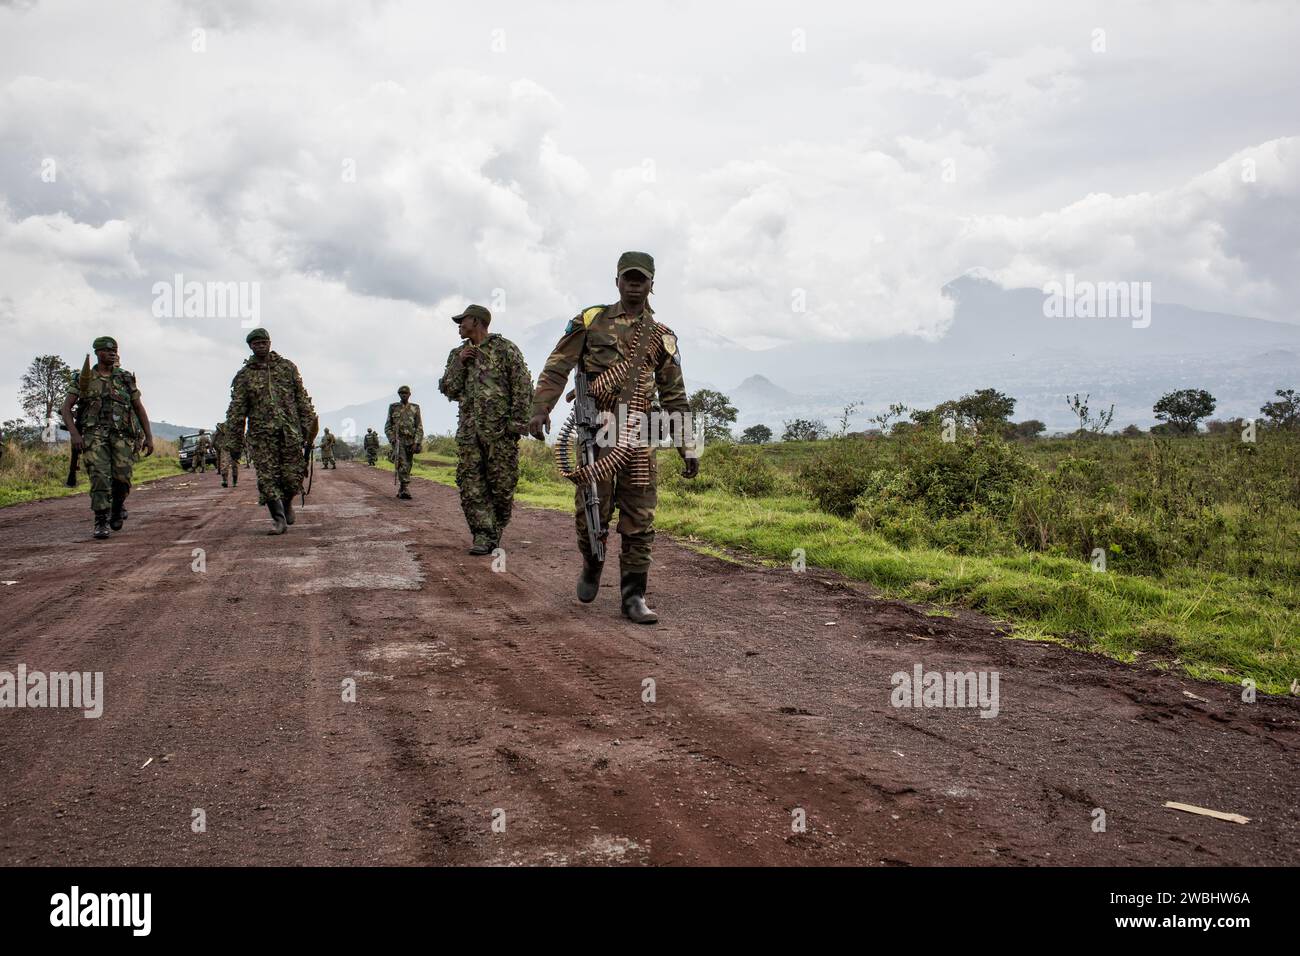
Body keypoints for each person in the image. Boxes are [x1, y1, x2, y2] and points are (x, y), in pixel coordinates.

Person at [528, 251, 698, 623]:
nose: (634, 283)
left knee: (640, 515)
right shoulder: (590, 321)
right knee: (592, 508)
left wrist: (688, 444)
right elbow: (558, 366)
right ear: (617, 280)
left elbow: (674, 394)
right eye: (628, 277)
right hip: (597, 429)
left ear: (652, 283)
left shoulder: (662, 336)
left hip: (641, 433)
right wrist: (540, 408)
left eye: (641, 278)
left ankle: (633, 596)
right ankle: (592, 562)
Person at [438, 304, 533, 554]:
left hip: (501, 433)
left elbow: (523, 387)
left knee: (502, 486)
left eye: (463, 320)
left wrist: (516, 424)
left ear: (477, 322)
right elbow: (449, 388)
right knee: (470, 484)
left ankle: (495, 529)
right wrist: (459, 363)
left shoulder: (505, 349)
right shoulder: (458, 354)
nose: (459, 325)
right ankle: (482, 534)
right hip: (470, 433)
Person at [59, 336, 155, 539]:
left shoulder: (125, 378)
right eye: (107, 350)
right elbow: (66, 408)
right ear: (97, 353)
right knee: (99, 477)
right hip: (94, 436)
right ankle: (100, 520)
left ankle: (118, 507)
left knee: (122, 478)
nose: (112, 353)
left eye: (115, 350)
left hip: (122, 437)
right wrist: (75, 435)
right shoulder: (83, 378)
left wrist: (149, 437)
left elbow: (138, 408)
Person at [223, 328, 316, 534]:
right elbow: (237, 413)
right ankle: (278, 519)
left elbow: (302, 399)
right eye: (256, 343)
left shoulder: (287, 368)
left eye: (263, 342)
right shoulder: (244, 377)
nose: (260, 346)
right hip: (261, 437)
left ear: (270, 343)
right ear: (250, 347)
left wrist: (309, 430)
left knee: (293, 476)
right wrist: (234, 444)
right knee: (267, 478)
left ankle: (287, 502)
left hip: (290, 434)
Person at [384, 386, 422, 500]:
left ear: (409, 394)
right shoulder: (393, 407)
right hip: (398, 440)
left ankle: (402, 487)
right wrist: (392, 438)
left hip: (410, 441)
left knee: (408, 464)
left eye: (405, 393)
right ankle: (405, 487)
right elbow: (388, 426)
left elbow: (419, 426)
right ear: (398, 394)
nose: (403, 395)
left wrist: (417, 442)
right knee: (402, 463)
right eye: (401, 393)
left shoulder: (415, 408)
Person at [214, 421, 238, 488]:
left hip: (233, 448)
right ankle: (225, 480)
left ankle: (234, 481)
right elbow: (215, 437)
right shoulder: (222, 426)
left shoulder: (235, 426)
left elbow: (240, 436)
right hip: (225, 447)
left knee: (234, 465)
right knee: (224, 464)